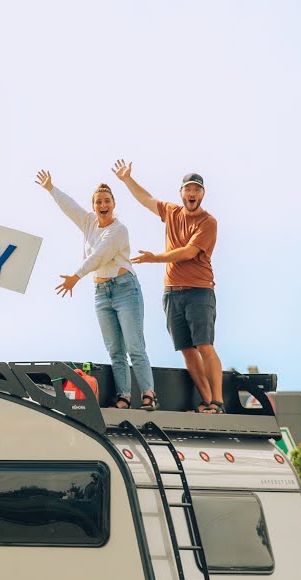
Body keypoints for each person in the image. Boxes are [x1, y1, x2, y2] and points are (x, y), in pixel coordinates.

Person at [36, 170, 157, 410]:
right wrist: (51, 188)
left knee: (134, 346)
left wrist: (76, 276)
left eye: (107, 201)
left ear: (113, 205)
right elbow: (69, 206)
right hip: (101, 293)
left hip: (125, 289)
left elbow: (100, 255)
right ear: (93, 206)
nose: (103, 205)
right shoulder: (88, 222)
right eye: (98, 202)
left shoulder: (119, 230)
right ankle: (123, 396)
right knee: (115, 349)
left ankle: (149, 394)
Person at [111, 160, 223, 414]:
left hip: (199, 291)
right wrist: (127, 179)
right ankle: (206, 401)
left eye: (197, 189)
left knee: (204, 345)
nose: (192, 193)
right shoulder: (172, 212)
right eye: (188, 189)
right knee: (186, 349)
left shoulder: (208, 222)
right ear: (181, 192)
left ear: (203, 194)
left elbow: (187, 252)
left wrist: (154, 258)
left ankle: (218, 401)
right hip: (172, 292)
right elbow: (146, 199)